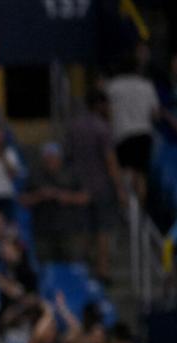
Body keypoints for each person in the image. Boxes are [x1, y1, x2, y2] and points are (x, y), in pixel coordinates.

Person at [65, 89, 123, 282]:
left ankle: (81, 269)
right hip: (101, 187)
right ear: (99, 105)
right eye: (106, 105)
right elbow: (110, 161)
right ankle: (102, 270)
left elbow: (69, 157)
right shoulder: (102, 128)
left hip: (79, 186)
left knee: (83, 229)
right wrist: (120, 188)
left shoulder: (73, 127)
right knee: (102, 230)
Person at [105, 47, 160, 204]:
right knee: (141, 173)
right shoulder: (146, 85)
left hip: (123, 134)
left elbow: (107, 112)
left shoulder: (112, 86)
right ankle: (139, 209)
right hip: (144, 134)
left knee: (126, 171)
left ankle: (128, 207)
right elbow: (155, 114)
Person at [19, 142, 90, 264]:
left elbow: (85, 198)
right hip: (43, 232)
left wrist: (64, 196)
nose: (50, 160)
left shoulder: (71, 175)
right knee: (46, 267)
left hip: (69, 230)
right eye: (48, 157)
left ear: (60, 158)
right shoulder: (35, 176)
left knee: (72, 265)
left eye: (53, 157)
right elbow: (23, 200)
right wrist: (40, 195)